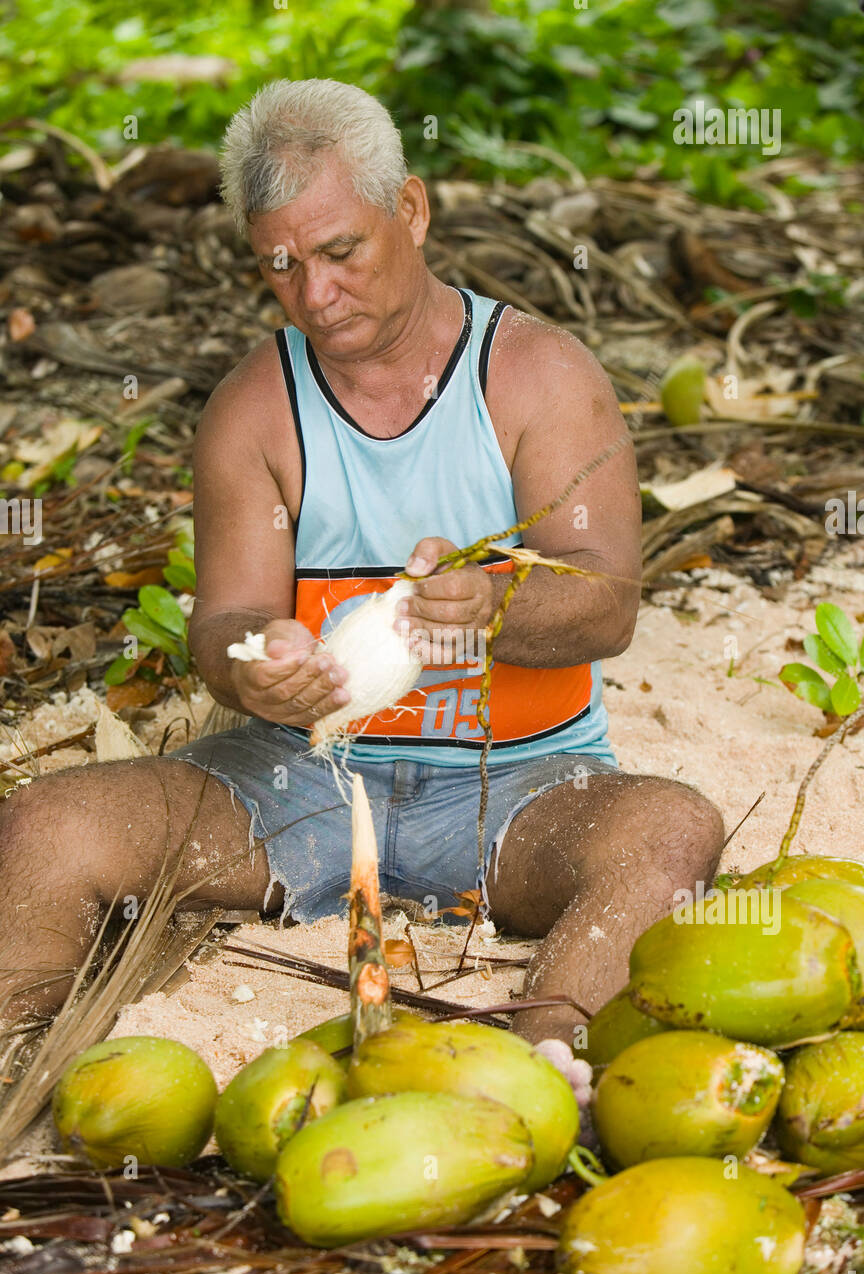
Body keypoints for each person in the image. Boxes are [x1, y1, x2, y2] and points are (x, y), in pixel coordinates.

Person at [0, 80, 723, 1084]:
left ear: (411, 211)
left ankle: (533, 1067)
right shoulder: (256, 408)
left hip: (518, 790)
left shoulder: (540, 378)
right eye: (281, 266)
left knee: (671, 829)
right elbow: (227, 622)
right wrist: (254, 664)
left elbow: (609, 603)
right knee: (46, 822)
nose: (315, 294)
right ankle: (20, 1067)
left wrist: (497, 606)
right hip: (300, 782)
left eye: (341, 252)